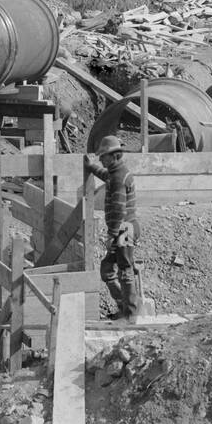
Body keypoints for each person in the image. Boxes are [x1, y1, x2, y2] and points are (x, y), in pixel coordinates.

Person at [86, 134, 141, 322]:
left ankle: (130, 314)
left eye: (103, 156)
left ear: (114, 156)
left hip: (124, 229)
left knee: (124, 270)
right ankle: (125, 307)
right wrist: (91, 167)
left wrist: (112, 235)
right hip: (124, 229)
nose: (101, 159)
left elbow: (118, 209)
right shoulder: (115, 173)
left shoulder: (119, 177)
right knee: (108, 269)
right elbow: (105, 175)